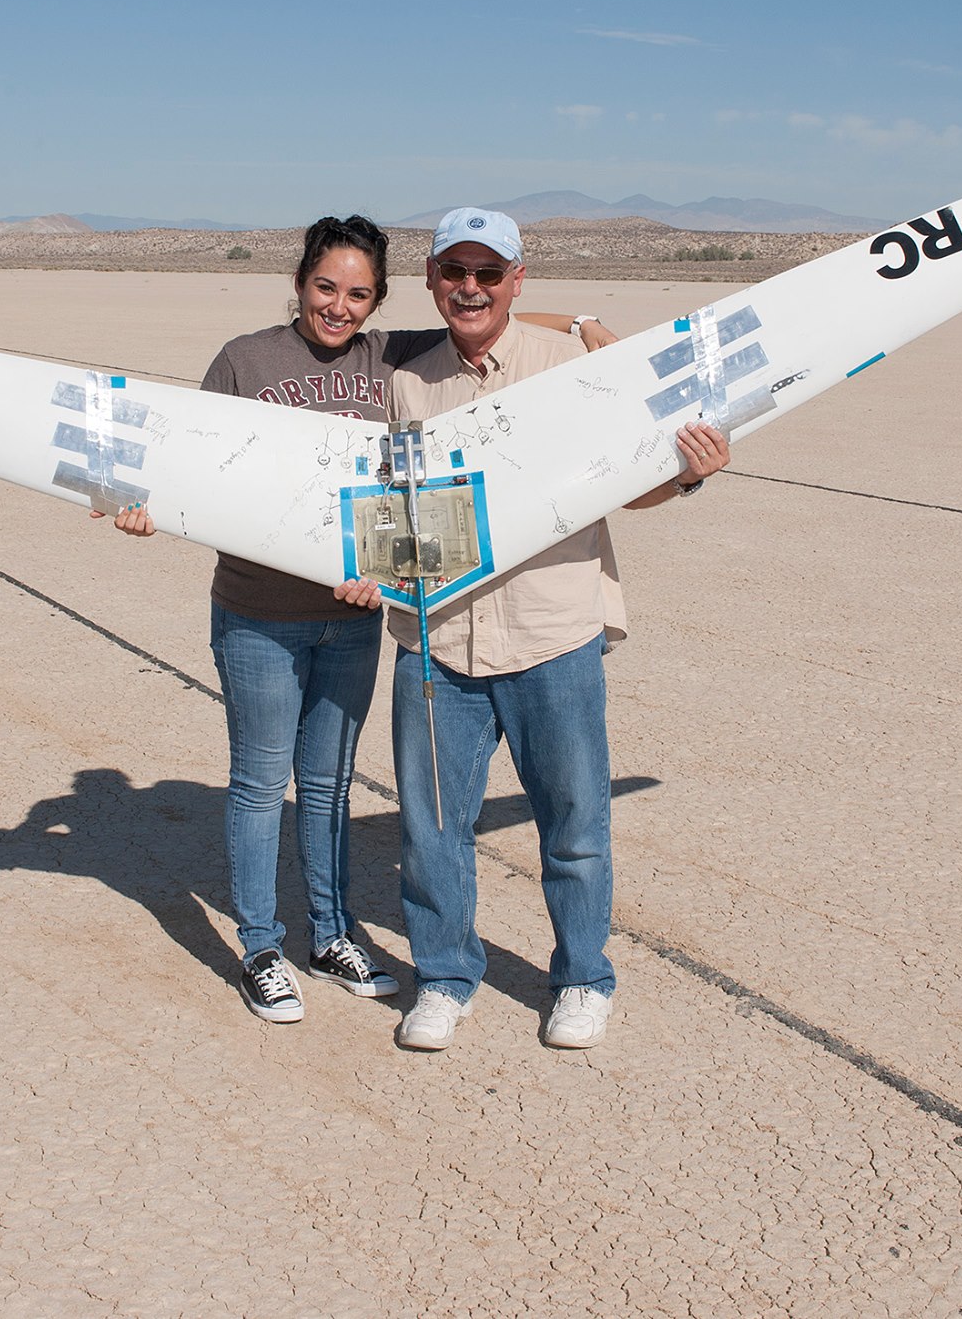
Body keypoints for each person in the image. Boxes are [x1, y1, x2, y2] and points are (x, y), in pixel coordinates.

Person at [98, 215, 616, 1024]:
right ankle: (262, 946)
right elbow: (185, 456)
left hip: (352, 618)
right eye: (326, 288)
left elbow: (485, 317)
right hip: (259, 614)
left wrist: (582, 325)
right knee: (263, 782)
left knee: (332, 787)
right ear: (301, 280)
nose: (339, 307)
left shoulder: (389, 358)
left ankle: (332, 933)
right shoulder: (246, 359)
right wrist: (141, 506)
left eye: (359, 294)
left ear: (378, 303)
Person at [343, 208, 731, 1052]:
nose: (471, 289)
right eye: (455, 272)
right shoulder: (406, 375)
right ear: (433, 278)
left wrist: (688, 476)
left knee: (575, 823)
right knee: (432, 830)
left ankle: (583, 979)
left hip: (553, 633)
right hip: (438, 640)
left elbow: (632, 485)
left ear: (520, 278)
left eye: (490, 273)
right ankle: (445, 978)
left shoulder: (574, 367)